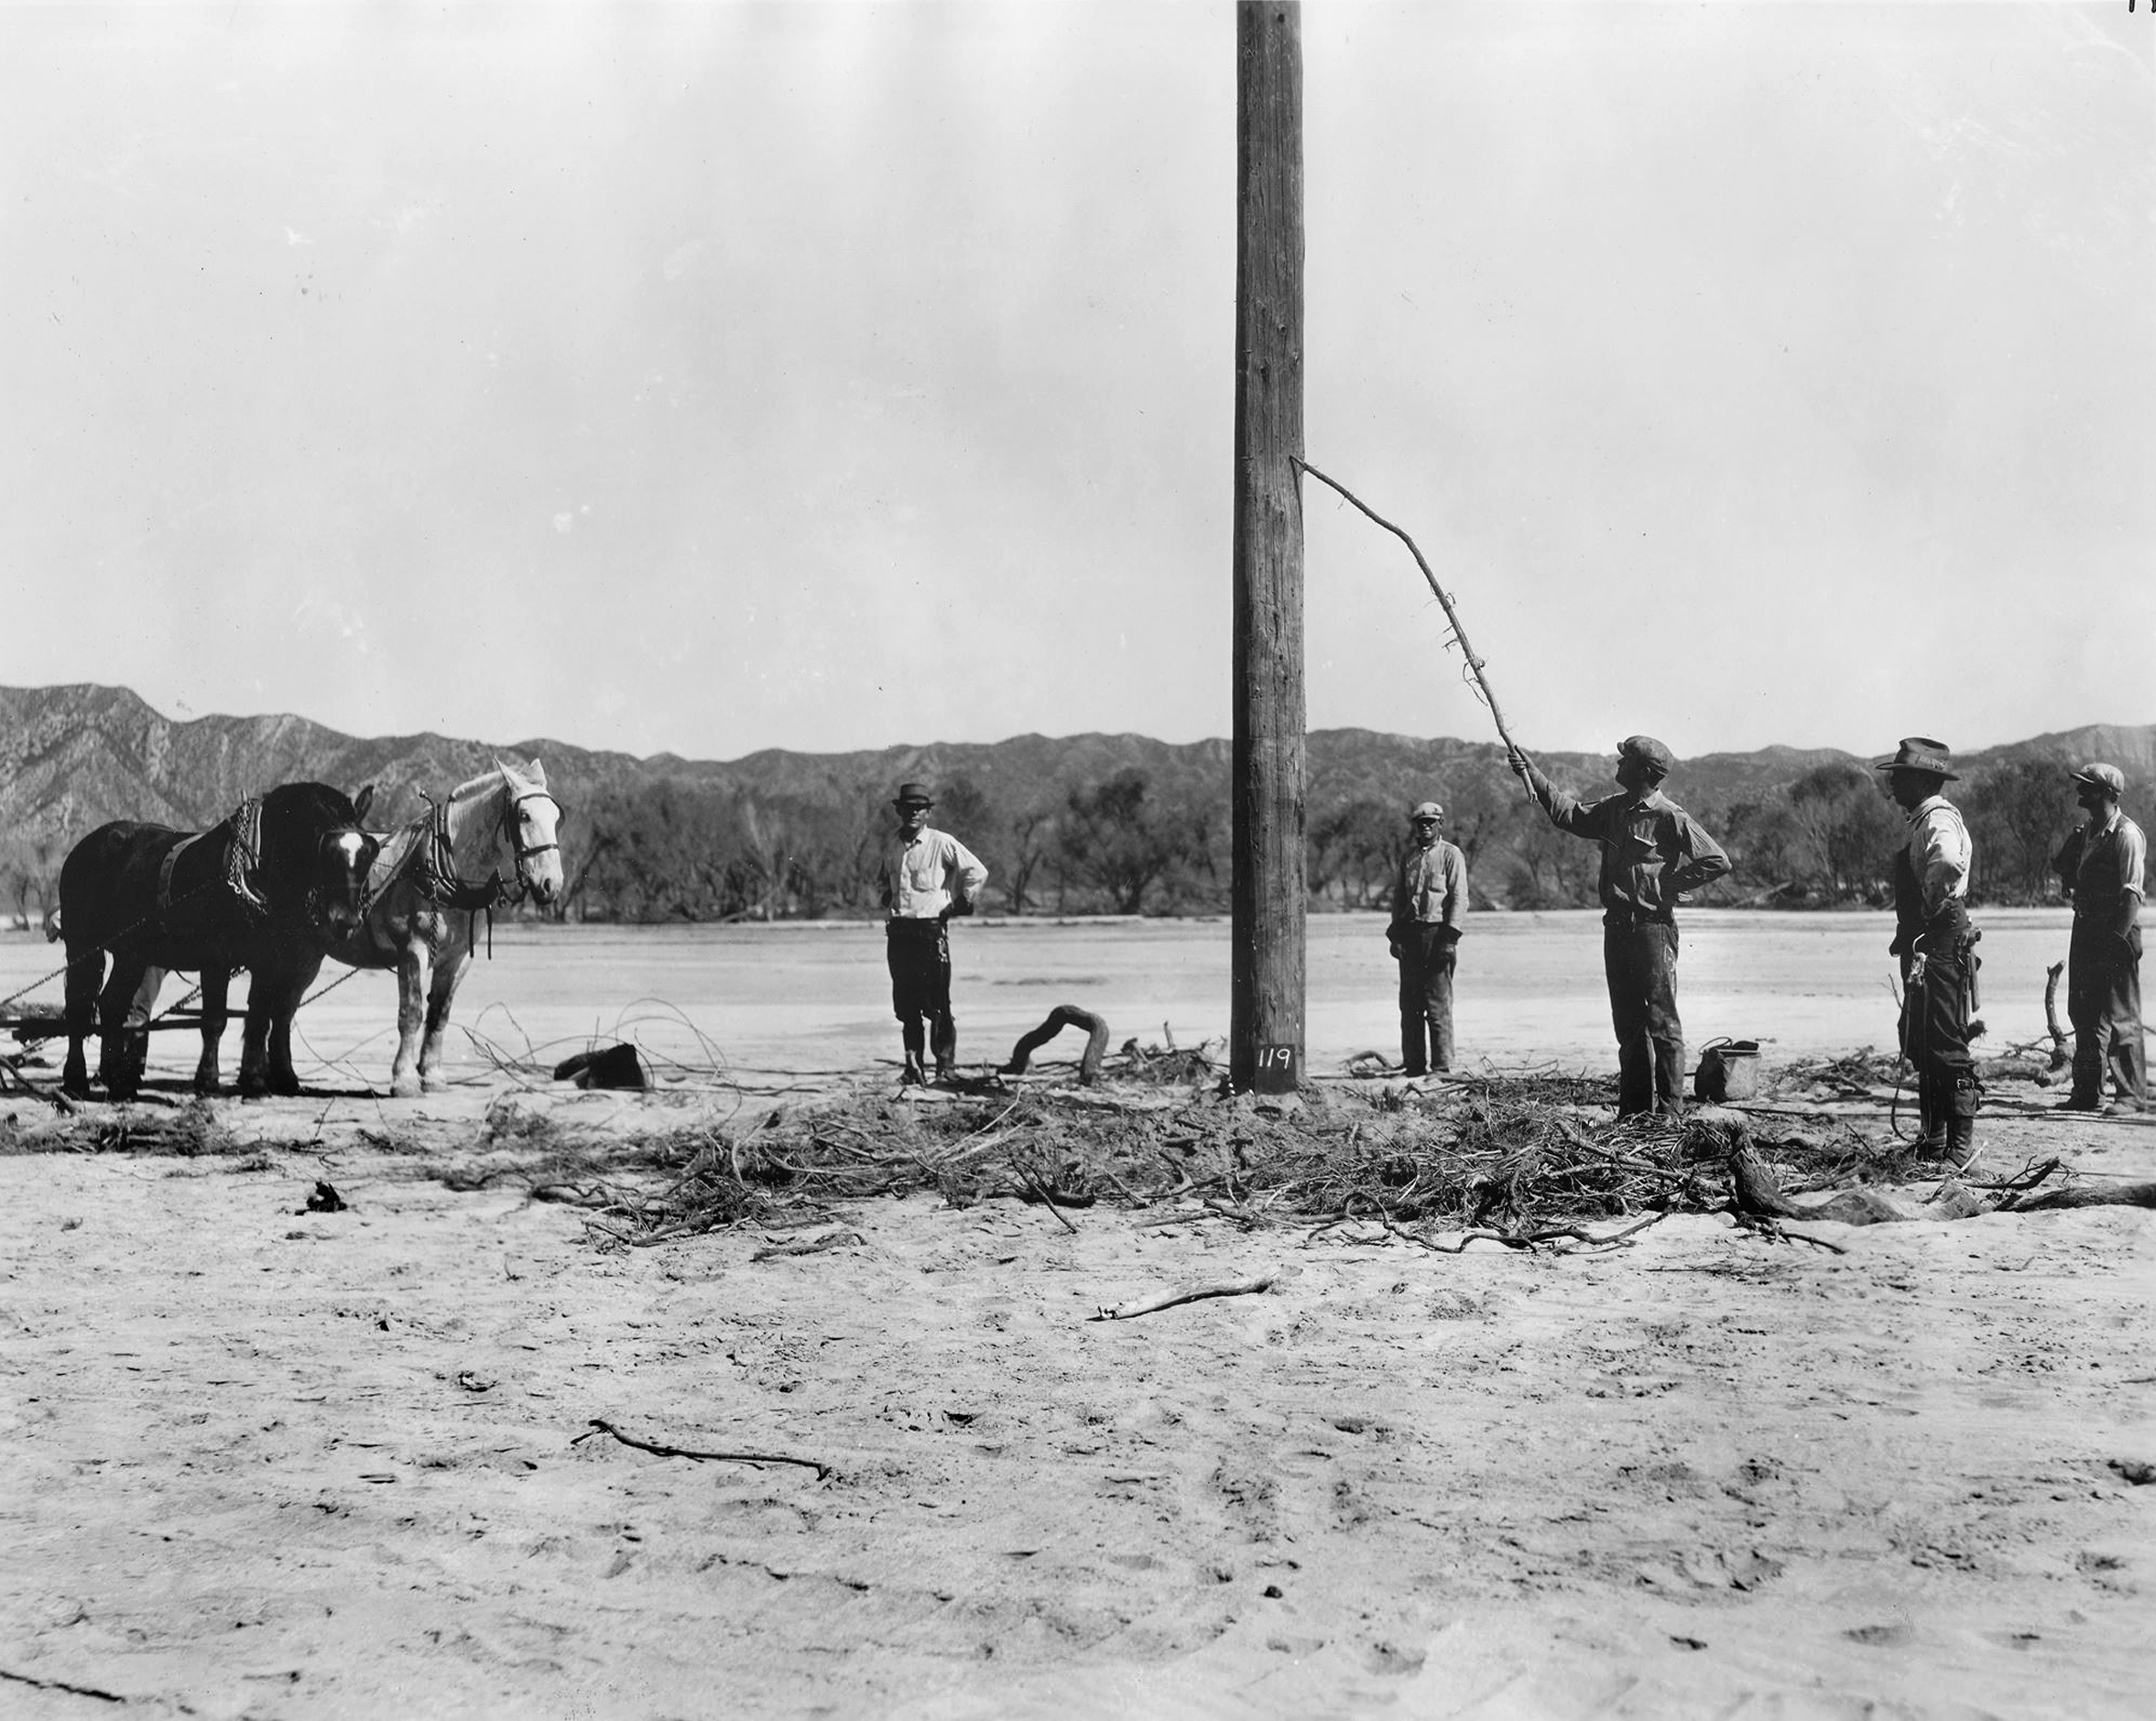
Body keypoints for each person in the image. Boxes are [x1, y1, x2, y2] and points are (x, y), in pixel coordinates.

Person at [1507, 735, 1730, 1118]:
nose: (1616, 766)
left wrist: (1671, 885)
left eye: (1624, 761)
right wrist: (1533, 773)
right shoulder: (1612, 809)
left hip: (1652, 929)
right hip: (1617, 929)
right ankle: (1634, 1114)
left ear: (1644, 772)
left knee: (1663, 1024)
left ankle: (1668, 1115)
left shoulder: (1669, 815)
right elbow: (1568, 815)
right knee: (1627, 1027)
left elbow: (1717, 860)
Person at [1878, 736, 1981, 1164]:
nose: (1893, 787)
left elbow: (1947, 864)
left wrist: (1927, 909)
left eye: (1900, 778)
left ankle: (1959, 1145)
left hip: (1939, 940)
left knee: (1945, 1043)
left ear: (1921, 780)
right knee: (1919, 1039)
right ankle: (1934, 1137)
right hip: (1926, 941)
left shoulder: (1938, 820)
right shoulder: (1920, 819)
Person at [880, 781, 988, 1086]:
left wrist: (960, 904)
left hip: (930, 930)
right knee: (905, 1005)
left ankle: (945, 1069)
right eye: (908, 808)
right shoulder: (892, 845)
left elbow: (977, 871)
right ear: (899, 810)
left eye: (919, 808)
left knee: (939, 1004)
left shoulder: (941, 842)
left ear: (927, 812)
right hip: (900, 932)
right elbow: (881, 881)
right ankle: (913, 1068)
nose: (913, 813)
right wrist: (885, 898)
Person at [2051, 762, 2145, 1113]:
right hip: (2087, 929)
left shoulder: (2126, 835)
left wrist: (2115, 941)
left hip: (2115, 929)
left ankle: (2130, 1095)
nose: (2080, 791)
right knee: (2084, 1012)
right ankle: (2088, 1092)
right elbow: (2063, 867)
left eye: (2087, 787)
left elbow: (2132, 895)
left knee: (2120, 1014)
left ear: (2107, 793)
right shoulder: (2087, 831)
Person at [1387, 801, 1467, 1077]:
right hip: (1410, 935)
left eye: (1431, 822)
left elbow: (1459, 898)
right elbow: (1398, 898)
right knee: (1409, 1005)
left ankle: (1442, 1066)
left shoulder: (1450, 855)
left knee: (1437, 1004)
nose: (1425, 826)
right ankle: (1414, 1065)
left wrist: (1449, 939)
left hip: (1437, 935)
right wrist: (1395, 935)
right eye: (1421, 822)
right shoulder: (1408, 858)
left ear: (1440, 824)